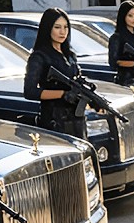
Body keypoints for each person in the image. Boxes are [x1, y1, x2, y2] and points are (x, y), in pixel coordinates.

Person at [24, 7, 88, 138]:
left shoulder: (70, 55)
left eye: (66, 27)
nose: (62, 32)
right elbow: (30, 91)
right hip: (54, 120)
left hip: (76, 120)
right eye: (57, 27)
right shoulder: (39, 57)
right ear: (48, 28)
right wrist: (62, 94)